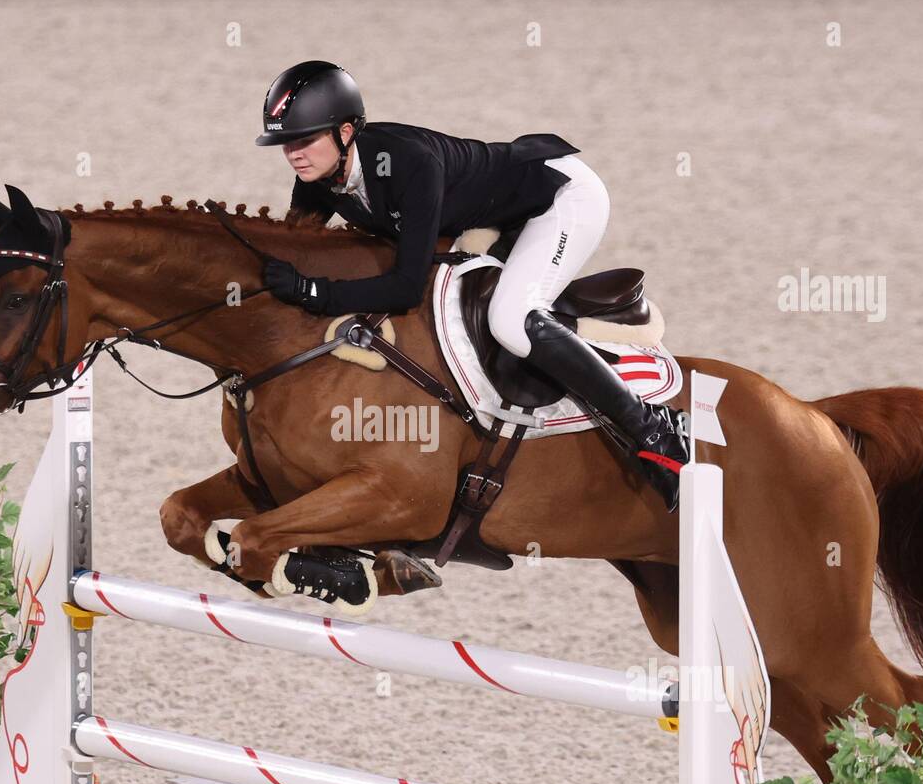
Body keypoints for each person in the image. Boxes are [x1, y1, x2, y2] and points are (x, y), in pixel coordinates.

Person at [256, 60, 689, 511]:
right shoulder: (318, 177)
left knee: (512, 321)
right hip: (492, 214)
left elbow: (405, 288)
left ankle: (653, 430)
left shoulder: (408, 163)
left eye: (304, 140)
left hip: (559, 199)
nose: (294, 154)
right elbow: (295, 248)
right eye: (284, 143)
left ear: (345, 133)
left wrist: (314, 293)